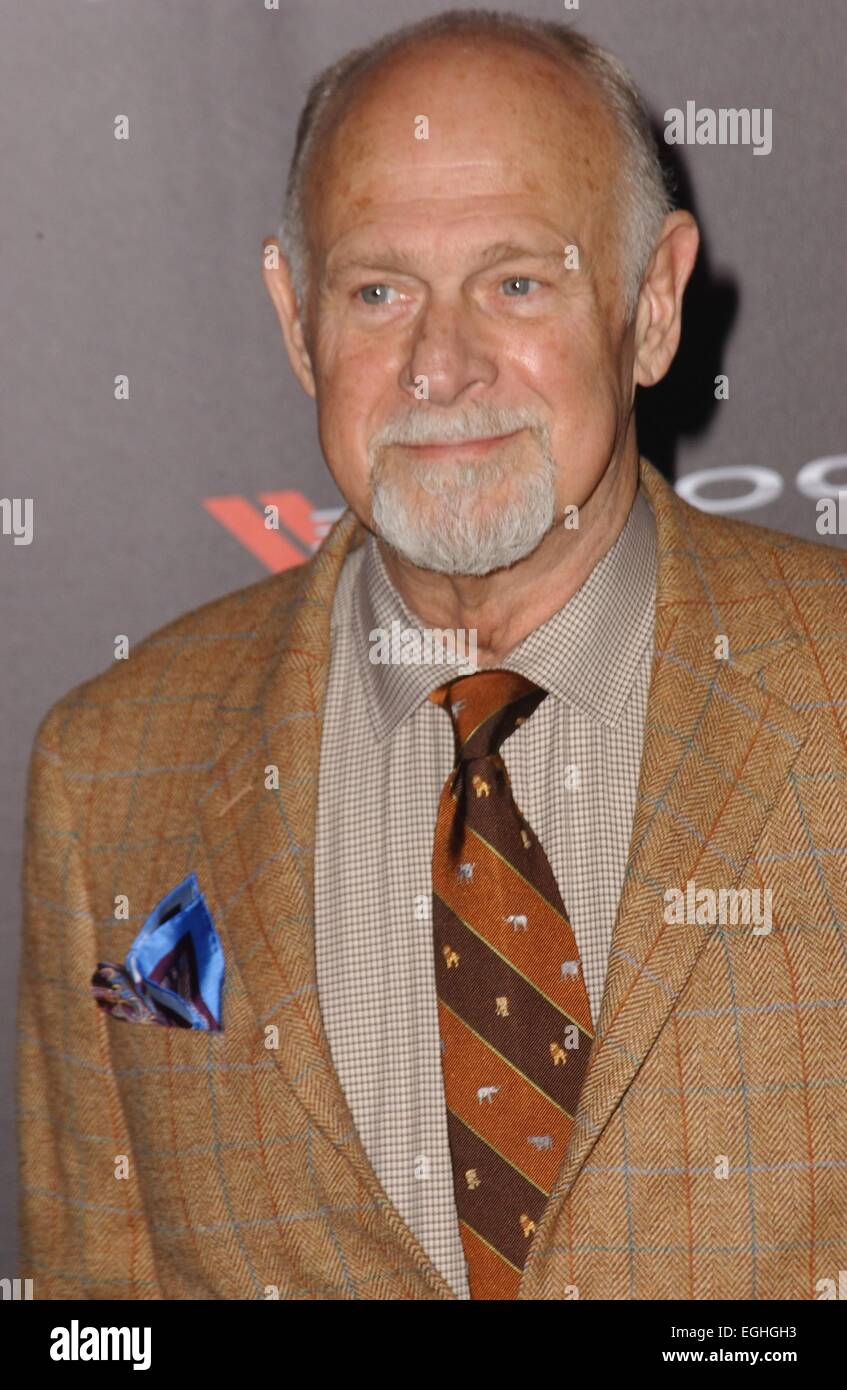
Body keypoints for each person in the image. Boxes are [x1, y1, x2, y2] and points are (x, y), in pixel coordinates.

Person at [18, 10, 847, 1301]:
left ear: (654, 305)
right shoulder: (111, 771)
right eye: (379, 290)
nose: (441, 365)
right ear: (297, 321)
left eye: (518, 281)